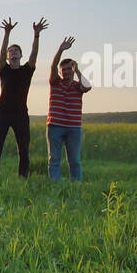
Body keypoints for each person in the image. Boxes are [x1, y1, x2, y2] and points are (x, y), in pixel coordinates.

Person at [0, 17, 47, 178]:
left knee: (23, 149)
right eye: (11, 51)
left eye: (16, 51)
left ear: (21, 55)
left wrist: (36, 35)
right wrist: (7, 33)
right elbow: (1, 53)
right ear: (8, 57)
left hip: (21, 114)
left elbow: (34, 53)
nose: (13, 52)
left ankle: (23, 178)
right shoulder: (4, 69)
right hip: (2, 113)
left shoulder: (27, 70)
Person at [47, 36, 91, 181]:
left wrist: (77, 70)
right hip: (55, 126)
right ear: (60, 72)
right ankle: (54, 185)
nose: (66, 72)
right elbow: (53, 67)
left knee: (75, 160)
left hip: (74, 127)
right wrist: (60, 50)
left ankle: (76, 186)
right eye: (63, 70)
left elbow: (87, 86)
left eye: (68, 69)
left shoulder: (78, 86)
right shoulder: (55, 83)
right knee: (54, 159)